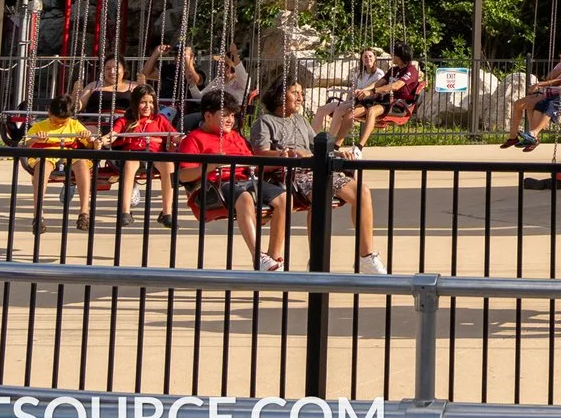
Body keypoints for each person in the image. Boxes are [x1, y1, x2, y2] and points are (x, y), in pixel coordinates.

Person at [249, 77, 384, 273]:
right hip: (292, 174)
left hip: (315, 168)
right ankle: (317, 260)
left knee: (362, 192)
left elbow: (316, 147)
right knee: (320, 197)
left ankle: (366, 256)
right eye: (295, 93)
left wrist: (338, 153)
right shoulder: (265, 122)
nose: (300, 98)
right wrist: (285, 154)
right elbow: (259, 153)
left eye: (302, 94)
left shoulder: (300, 121)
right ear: (279, 95)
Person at [174, 91, 279, 269]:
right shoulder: (193, 139)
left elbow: (250, 163)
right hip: (216, 186)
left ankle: (274, 255)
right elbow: (183, 175)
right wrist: (211, 165)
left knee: (285, 198)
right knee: (244, 197)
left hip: (246, 180)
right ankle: (257, 255)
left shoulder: (235, 136)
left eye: (232, 115)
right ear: (208, 116)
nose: (230, 119)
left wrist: (278, 159)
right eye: (224, 115)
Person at [19, 96, 98, 236]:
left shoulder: (74, 124)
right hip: (47, 154)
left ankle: (84, 212)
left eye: (64, 122)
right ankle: (38, 214)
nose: (60, 125)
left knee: (82, 164)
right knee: (43, 166)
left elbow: (91, 145)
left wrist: (87, 137)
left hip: (70, 154)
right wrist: (35, 139)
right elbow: (24, 145)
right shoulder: (39, 126)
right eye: (56, 122)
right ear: (49, 112)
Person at [106, 88, 180, 226]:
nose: (147, 106)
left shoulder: (159, 120)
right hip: (133, 153)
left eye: (150, 102)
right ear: (135, 103)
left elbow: (174, 135)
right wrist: (106, 139)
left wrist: (183, 139)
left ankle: (167, 212)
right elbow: (114, 133)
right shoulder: (125, 120)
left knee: (169, 166)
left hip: (155, 154)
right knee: (129, 165)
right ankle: (125, 211)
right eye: (143, 102)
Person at [506, 42, 561, 150]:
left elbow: (558, 82)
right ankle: (515, 137)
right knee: (518, 104)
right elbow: (549, 77)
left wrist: (539, 84)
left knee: (525, 105)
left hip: (557, 95)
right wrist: (559, 71)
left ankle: (532, 137)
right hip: (547, 93)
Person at [346, 42, 422, 148]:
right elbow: (379, 83)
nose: (391, 57)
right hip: (385, 100)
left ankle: (359, 147)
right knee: (351, 113)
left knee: (372, 111)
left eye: (393, 55)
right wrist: (364, 90)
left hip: (399, 104)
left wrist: (373, 91)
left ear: (400, 56)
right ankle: (336, 145)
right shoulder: (393, 70)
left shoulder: (411, 70)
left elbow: (396, 86)